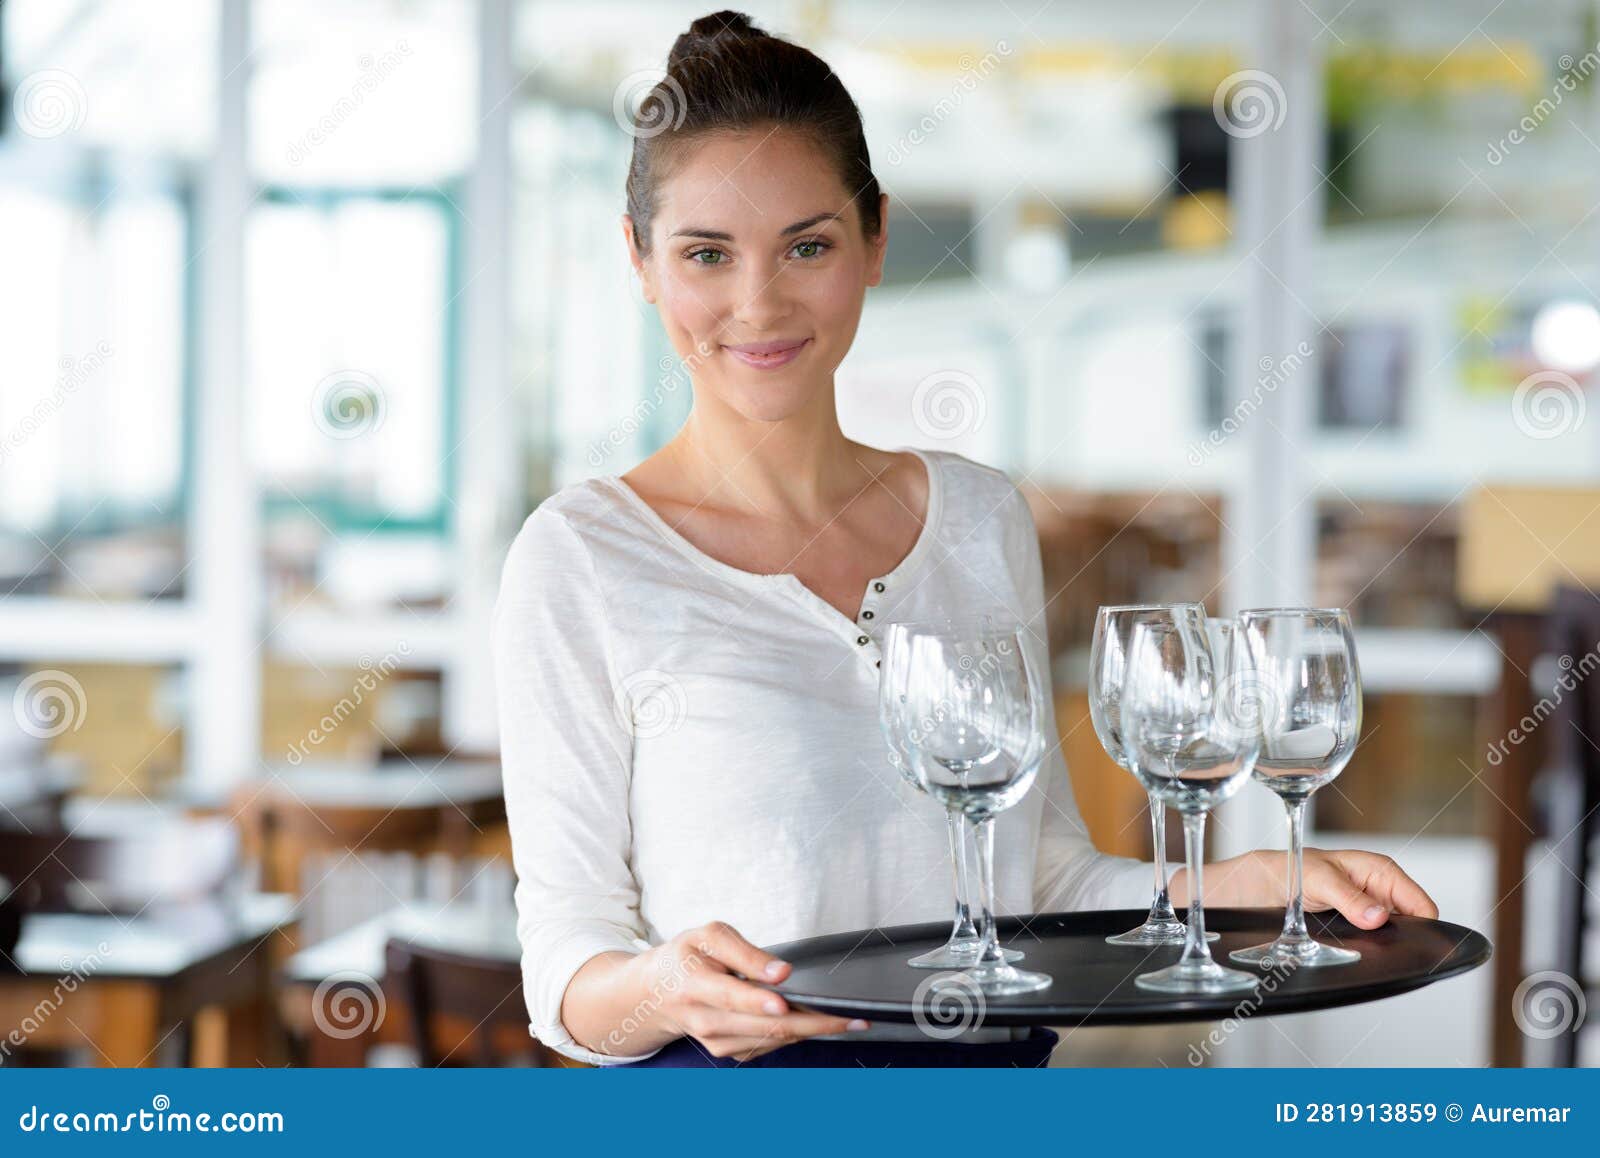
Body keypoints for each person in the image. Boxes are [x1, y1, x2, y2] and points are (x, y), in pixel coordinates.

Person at [492, 10, 1438, 1068]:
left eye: (807, 245)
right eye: (705, 254)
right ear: (640, 259)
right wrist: (663, 989)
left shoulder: (980, 518)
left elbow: (1042, 884)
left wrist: (1226, 888)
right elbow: (569, 975)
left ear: (875, 238)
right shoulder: (580, 557)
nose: (757, 303)